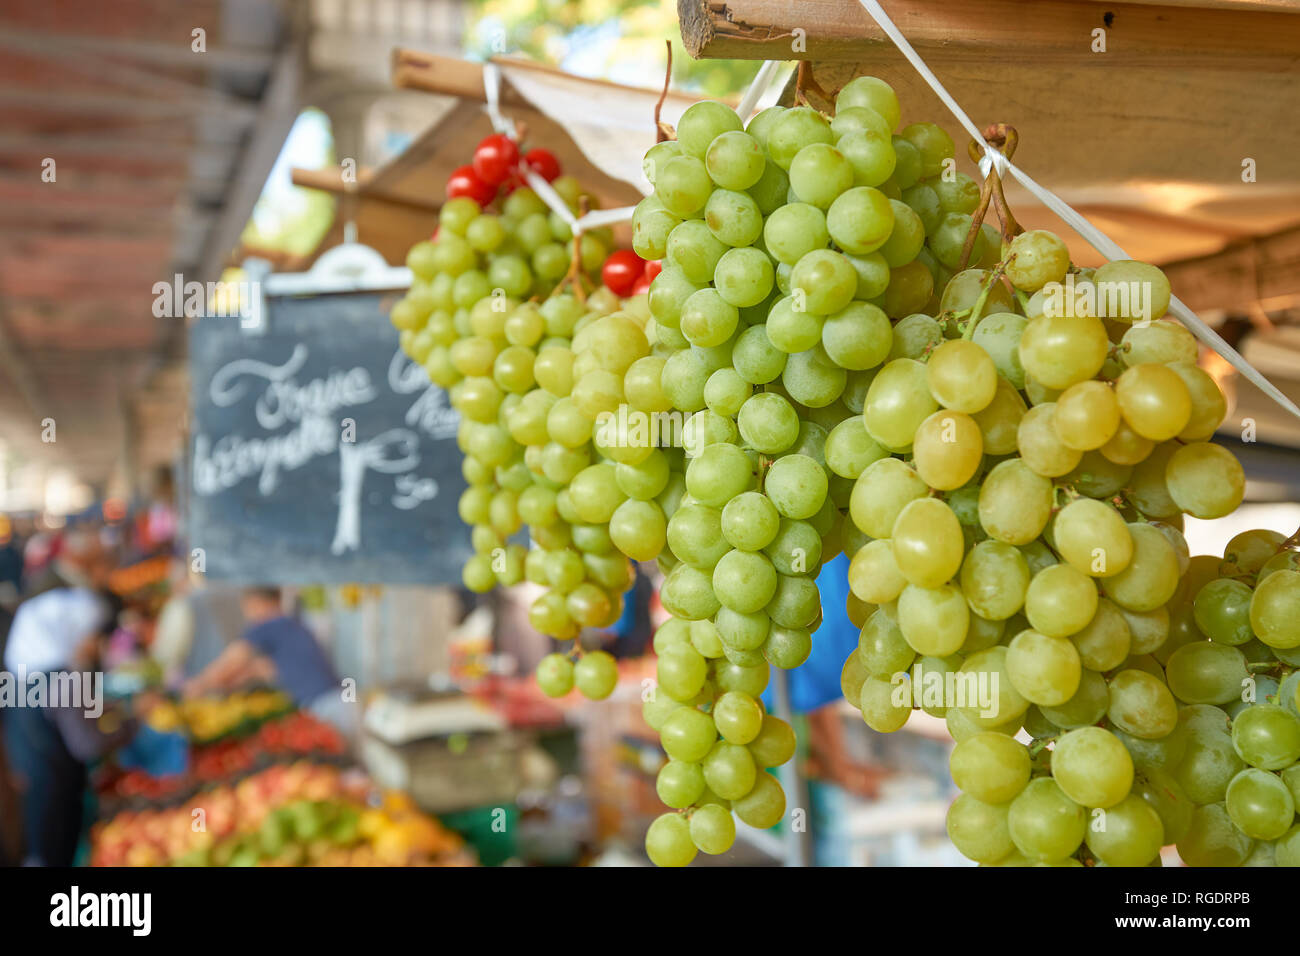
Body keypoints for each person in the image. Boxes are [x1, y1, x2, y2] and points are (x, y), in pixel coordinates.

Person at [2, 527, 129, 865]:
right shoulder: (59, 677)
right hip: (53, 779)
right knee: (52, 831)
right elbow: (87, 743)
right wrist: (132, 725)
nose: (93, 647)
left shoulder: (27, 670)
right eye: (90, 639)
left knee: (45, 824)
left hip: (38, 768)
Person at [182, 587, 354, 738]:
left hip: (324, 708)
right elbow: (265, 669)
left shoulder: (268, 624)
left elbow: (232, 661)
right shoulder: (291, 624)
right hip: (341, 703)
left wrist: (198, 685)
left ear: (254, 602)